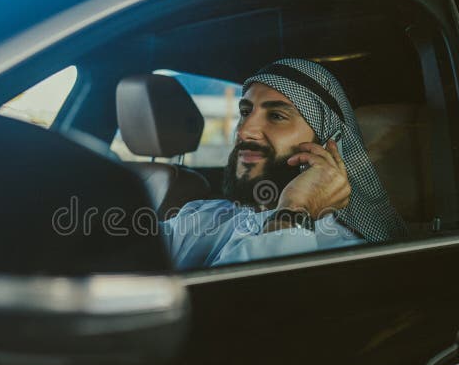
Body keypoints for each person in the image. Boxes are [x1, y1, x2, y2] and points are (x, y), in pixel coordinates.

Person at [162, 58, 405, 269]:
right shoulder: (204, 216)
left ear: (327, 143)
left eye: (277, 116)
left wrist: (293, 211)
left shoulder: (343, 251)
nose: (245, 131)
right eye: (245, 112)